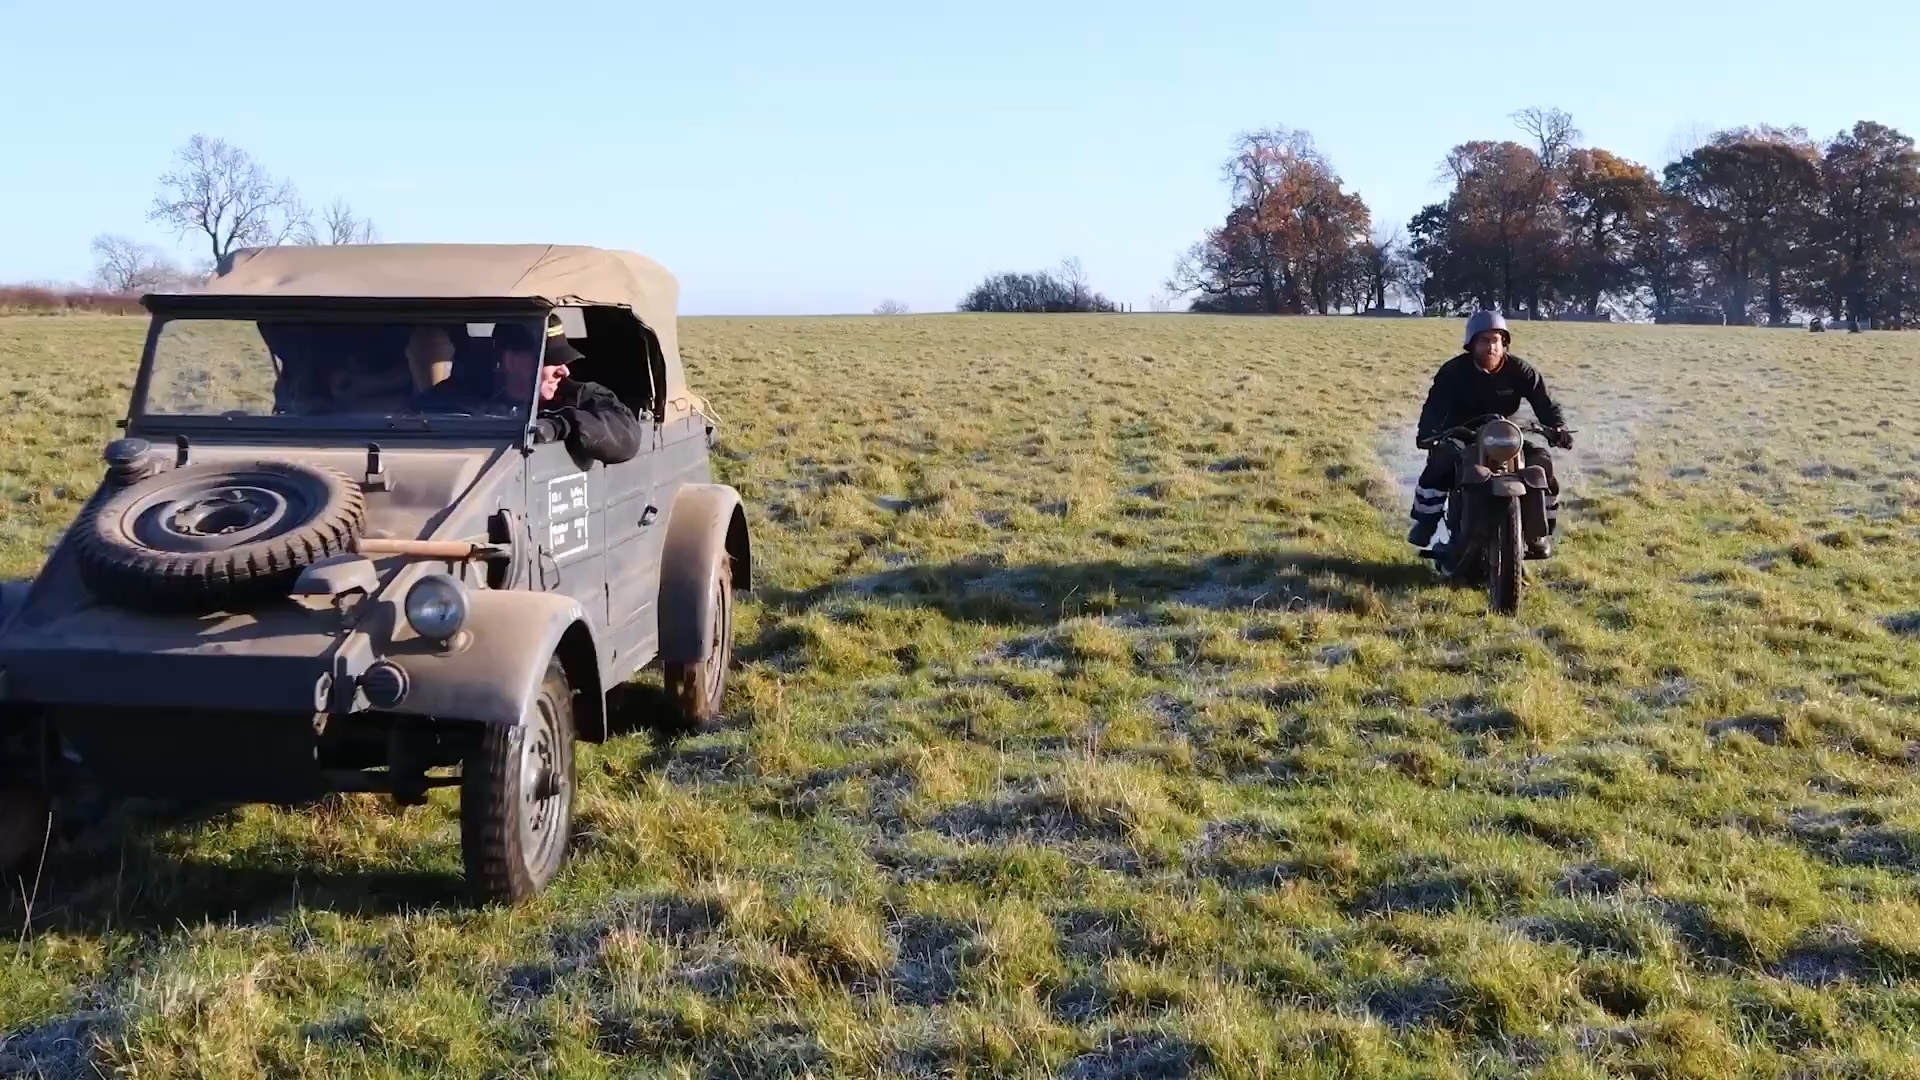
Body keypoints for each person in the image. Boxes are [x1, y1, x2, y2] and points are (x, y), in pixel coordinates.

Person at [1409, 310, 1572, 559]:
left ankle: (1539, 532)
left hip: (1505, 433)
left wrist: (1557, 427)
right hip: (1463, 433)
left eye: (1495, 340)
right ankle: (1426, 522)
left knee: (1541, 461)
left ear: (1504, 343)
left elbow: (1544, 402)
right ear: (1471, 344)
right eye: (1483, 340)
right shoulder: (1453, 372)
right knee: (1442, 461)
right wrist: (1427, 433)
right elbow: (1434, 405)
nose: (1490, 347)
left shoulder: (1521, 370)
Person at [493, 313, 643, 465]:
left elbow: (627, 436)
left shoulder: (580, 396)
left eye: (563, 361)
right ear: (511, 362)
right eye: (551, 360)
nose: (564, 371)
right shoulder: (477, 401)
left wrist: (562, 424)